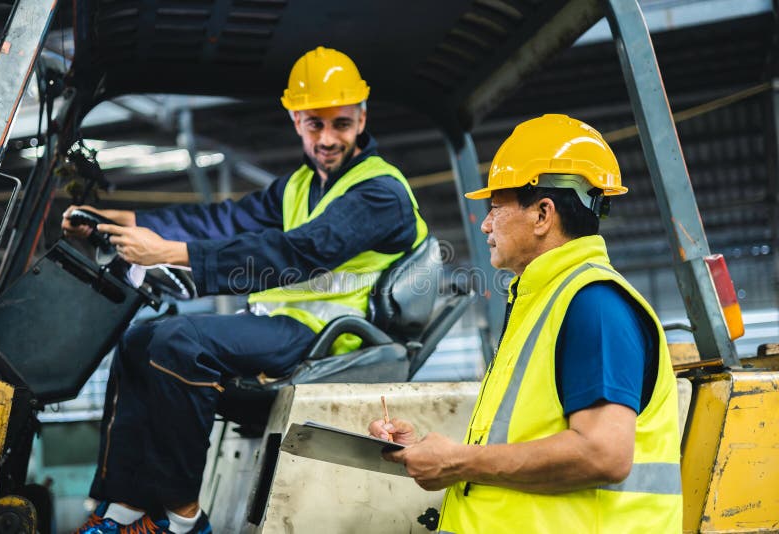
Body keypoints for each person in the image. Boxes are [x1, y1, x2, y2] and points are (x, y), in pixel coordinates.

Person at [63, 46, 428, 534]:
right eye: (314, 124)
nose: (327, 138)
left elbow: (295, 254)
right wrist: (121, 223)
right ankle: (125, 509)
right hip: (281, 326)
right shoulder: (300, 186)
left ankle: (184, 518)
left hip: (331, 336)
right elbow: (222, 219)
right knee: (138, 339)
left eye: (340, 123)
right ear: (296, 120)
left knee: (179, 343)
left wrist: (170, 253)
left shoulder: (378, 192)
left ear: (361, 118)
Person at [369, 114, 682, 533]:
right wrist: (430, 453)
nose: (485, 224)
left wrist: (457, 461)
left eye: (495, 208)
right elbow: (519, 445)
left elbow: (603, 454)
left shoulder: (593, 304)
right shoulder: (544, 301)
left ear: (542, 214)